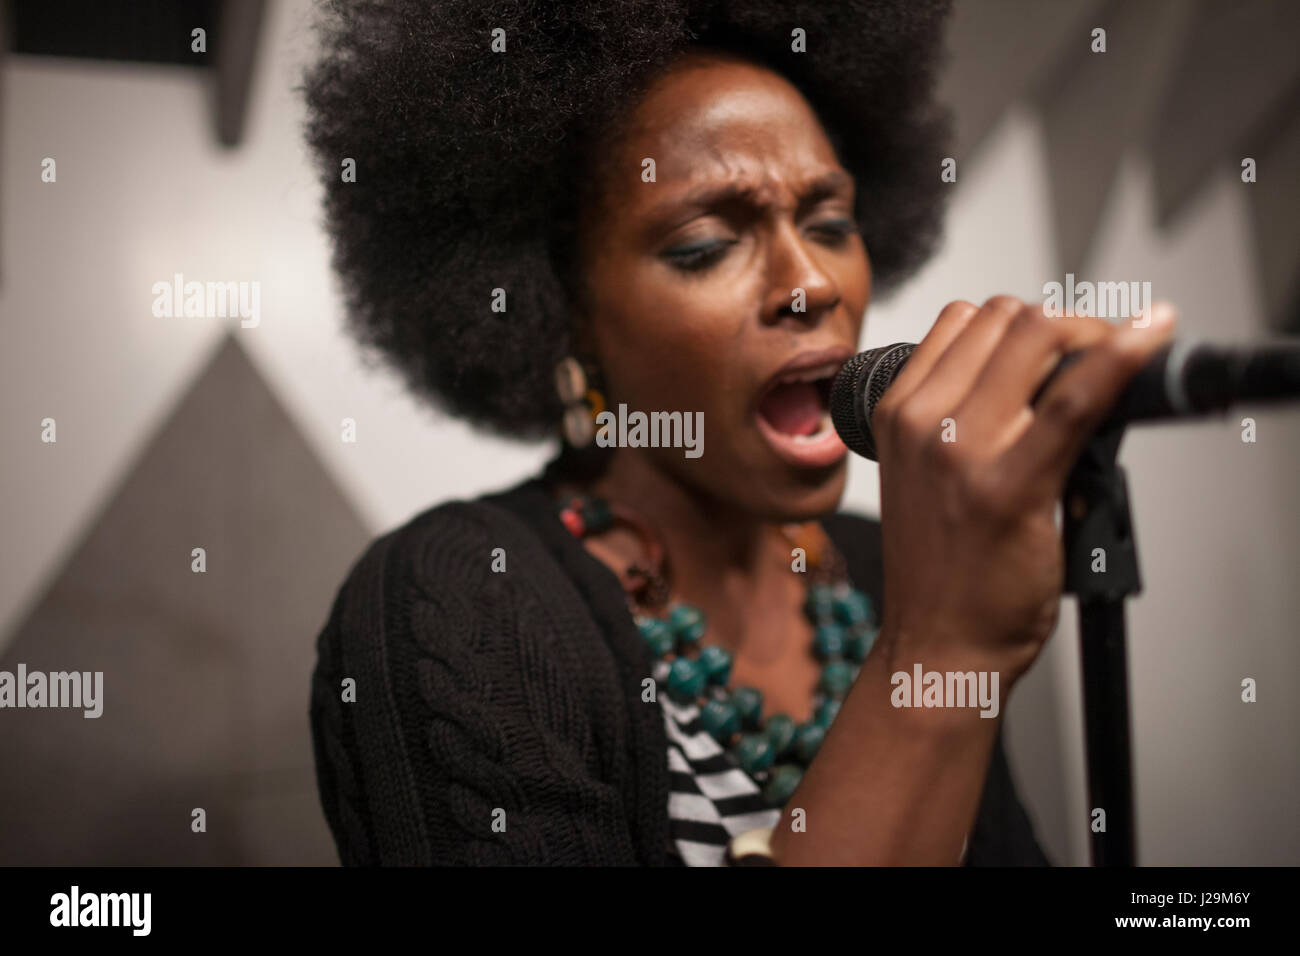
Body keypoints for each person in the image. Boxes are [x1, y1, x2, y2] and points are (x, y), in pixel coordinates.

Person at [303, 0, 1176, 866]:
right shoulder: (455, 601)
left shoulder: (880, 568)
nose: (811, 283)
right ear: (566, 315)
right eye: (707, 244)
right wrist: (944, 647)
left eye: (832, 225)